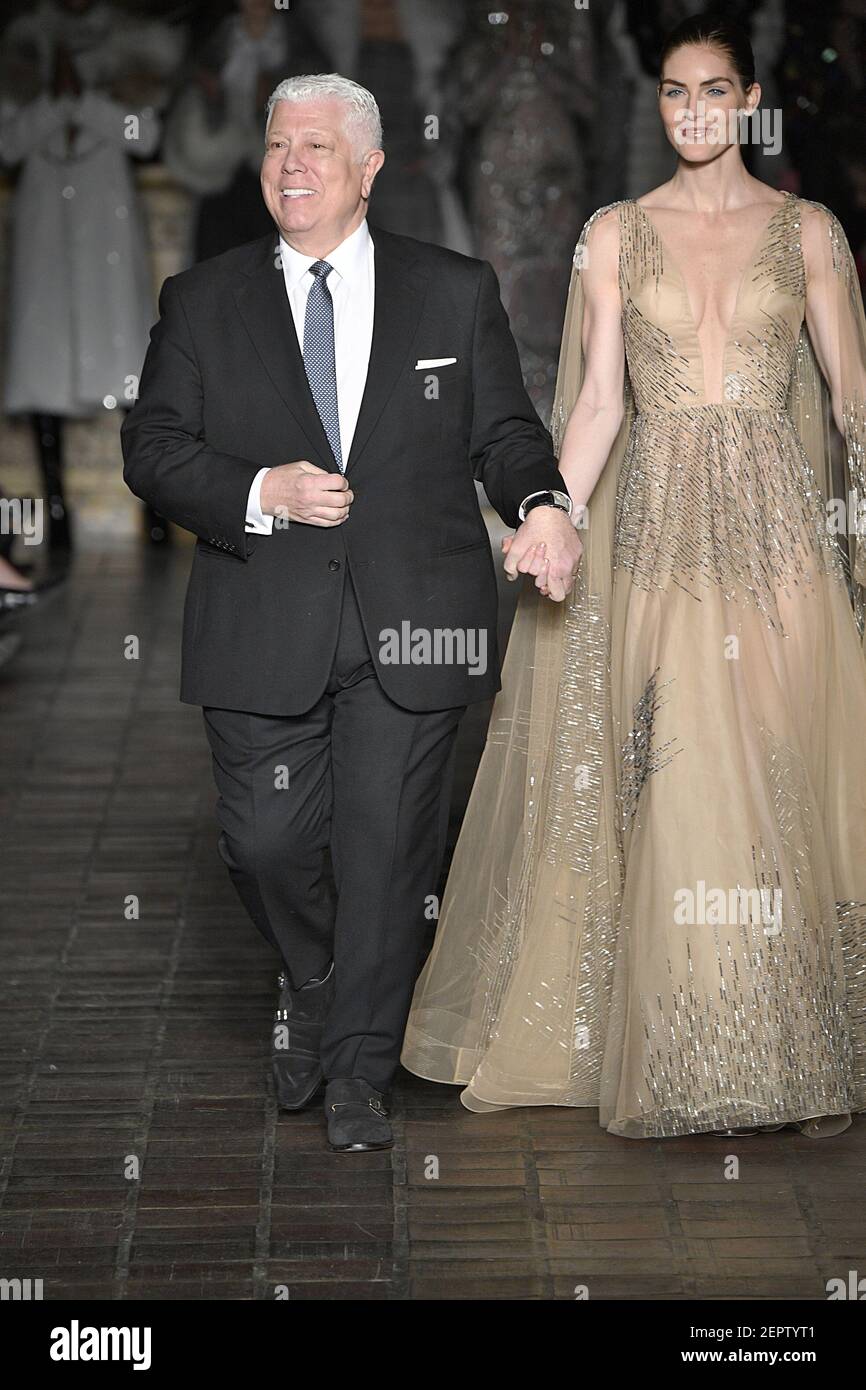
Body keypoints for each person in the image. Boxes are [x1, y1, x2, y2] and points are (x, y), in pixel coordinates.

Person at [401, 14, 866, 1140]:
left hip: (778, 547)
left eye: (714, 90)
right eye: (673, 91)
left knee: (781, 769)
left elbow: (850, 396)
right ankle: (705, 1045)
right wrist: (550, 509)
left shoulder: (806, 230)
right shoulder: (614, 232)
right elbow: (600, 401)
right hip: (657, 541)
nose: (693, 111)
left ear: (747, 99)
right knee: (680, 770)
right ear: (654, 104)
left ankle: (804, 1041)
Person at [120, 73, 581, 1152]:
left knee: (386, 855)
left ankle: (357, 1072)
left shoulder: (451, 292)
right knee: (265, 843)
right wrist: (256, 491)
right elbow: (152, 449)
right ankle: (319, 981)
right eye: (279, 143)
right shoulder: (203, 298)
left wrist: (544, 503)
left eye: (316, 147)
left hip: (414, 623)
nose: (290, 163)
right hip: (259, 619)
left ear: (369, 168)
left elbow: (502, 433)